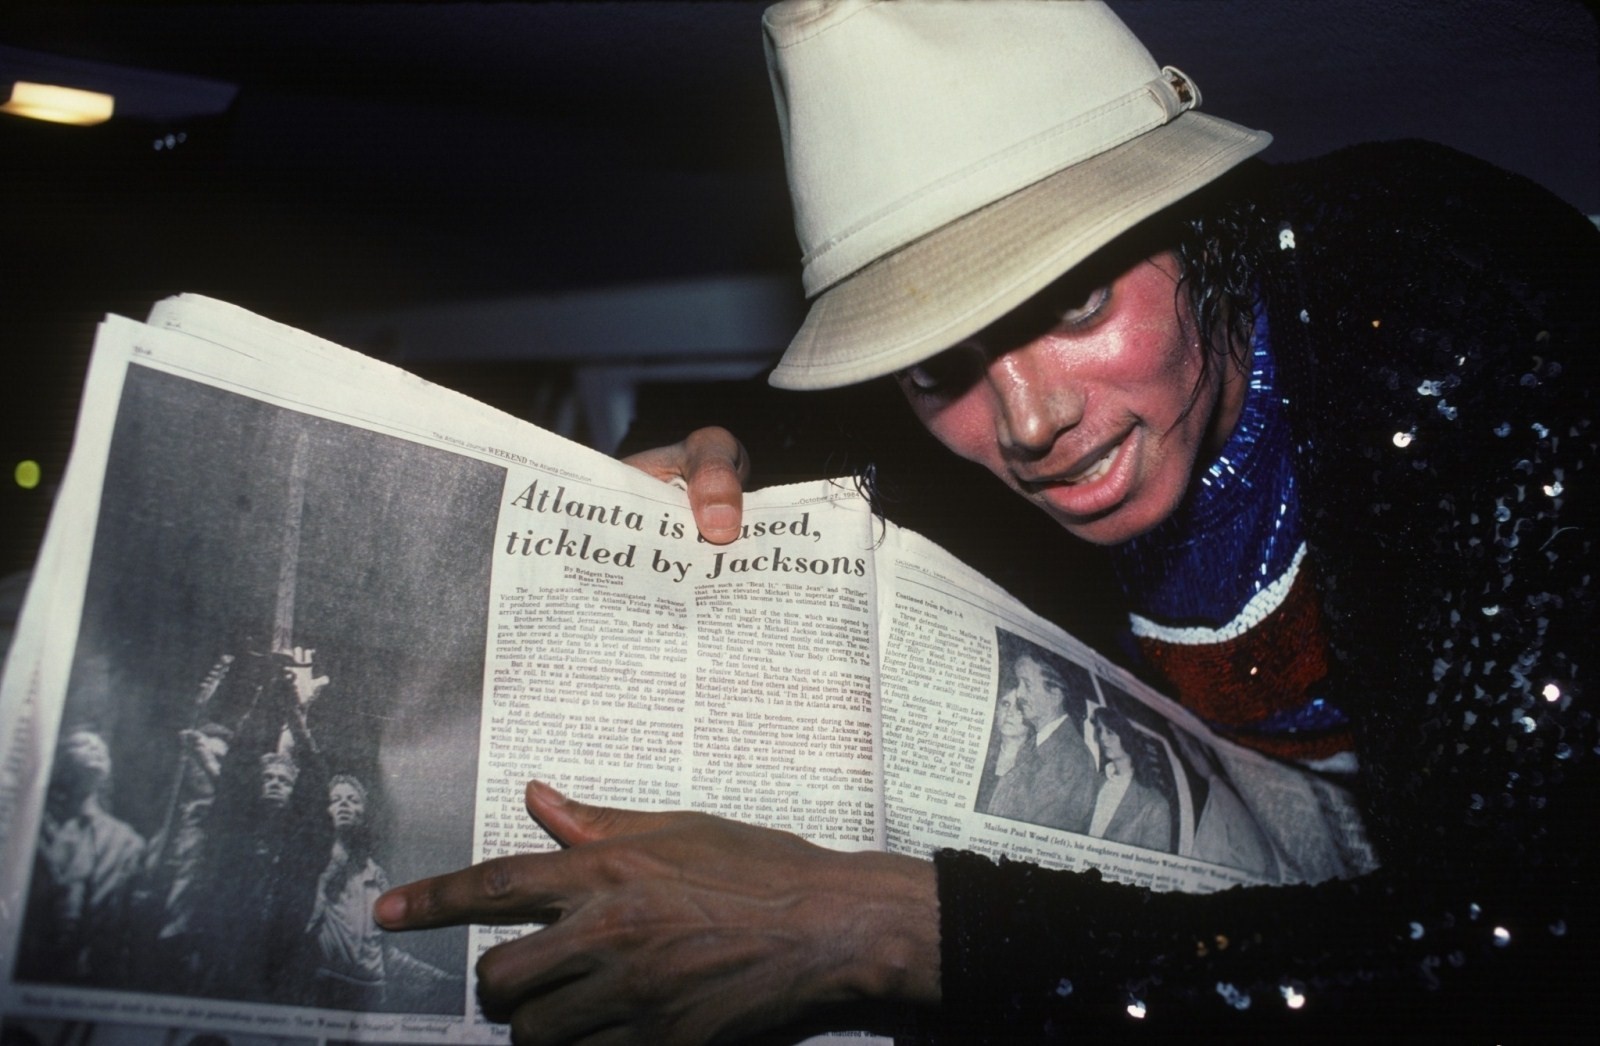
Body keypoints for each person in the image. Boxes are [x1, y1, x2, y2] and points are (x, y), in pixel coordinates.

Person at [377, 2, 1598, 1041]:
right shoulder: (976, 424)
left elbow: (1533, 941)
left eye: (1071, 298)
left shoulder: (1464, 315)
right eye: (935, 367)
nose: (1025, 422)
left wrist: (885, 924)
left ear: (1204, 216)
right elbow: (796, 429)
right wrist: (717, 451)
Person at [305, 774, 461, 1012]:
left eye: (352, 800)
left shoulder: (377, 877)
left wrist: (439, 978)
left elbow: (385, 950)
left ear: (365, 813)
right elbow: (307, 924)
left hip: (372, 991)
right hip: (328, 984)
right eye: (335, 799)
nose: (344, 804)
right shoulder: (314, 867)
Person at [17, 728, 145, 985]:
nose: (95, 749)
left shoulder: (125, 840)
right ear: (61, 762)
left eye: (101, 748)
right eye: (83, 744)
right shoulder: (30, 824)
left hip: (88, 970)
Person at [981, 652, 1098, 834]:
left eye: (1027, 685)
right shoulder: (1038, 744)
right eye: (1019, 684)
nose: (1019, 694)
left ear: (1055, 695)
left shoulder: (1072, 760)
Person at [1085, 704, 1175, 853]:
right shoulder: (1096, 782)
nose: (1102, 738)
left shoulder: (1155, 805)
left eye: (1110, 732)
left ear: (1127, 735)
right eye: (1100, 731)